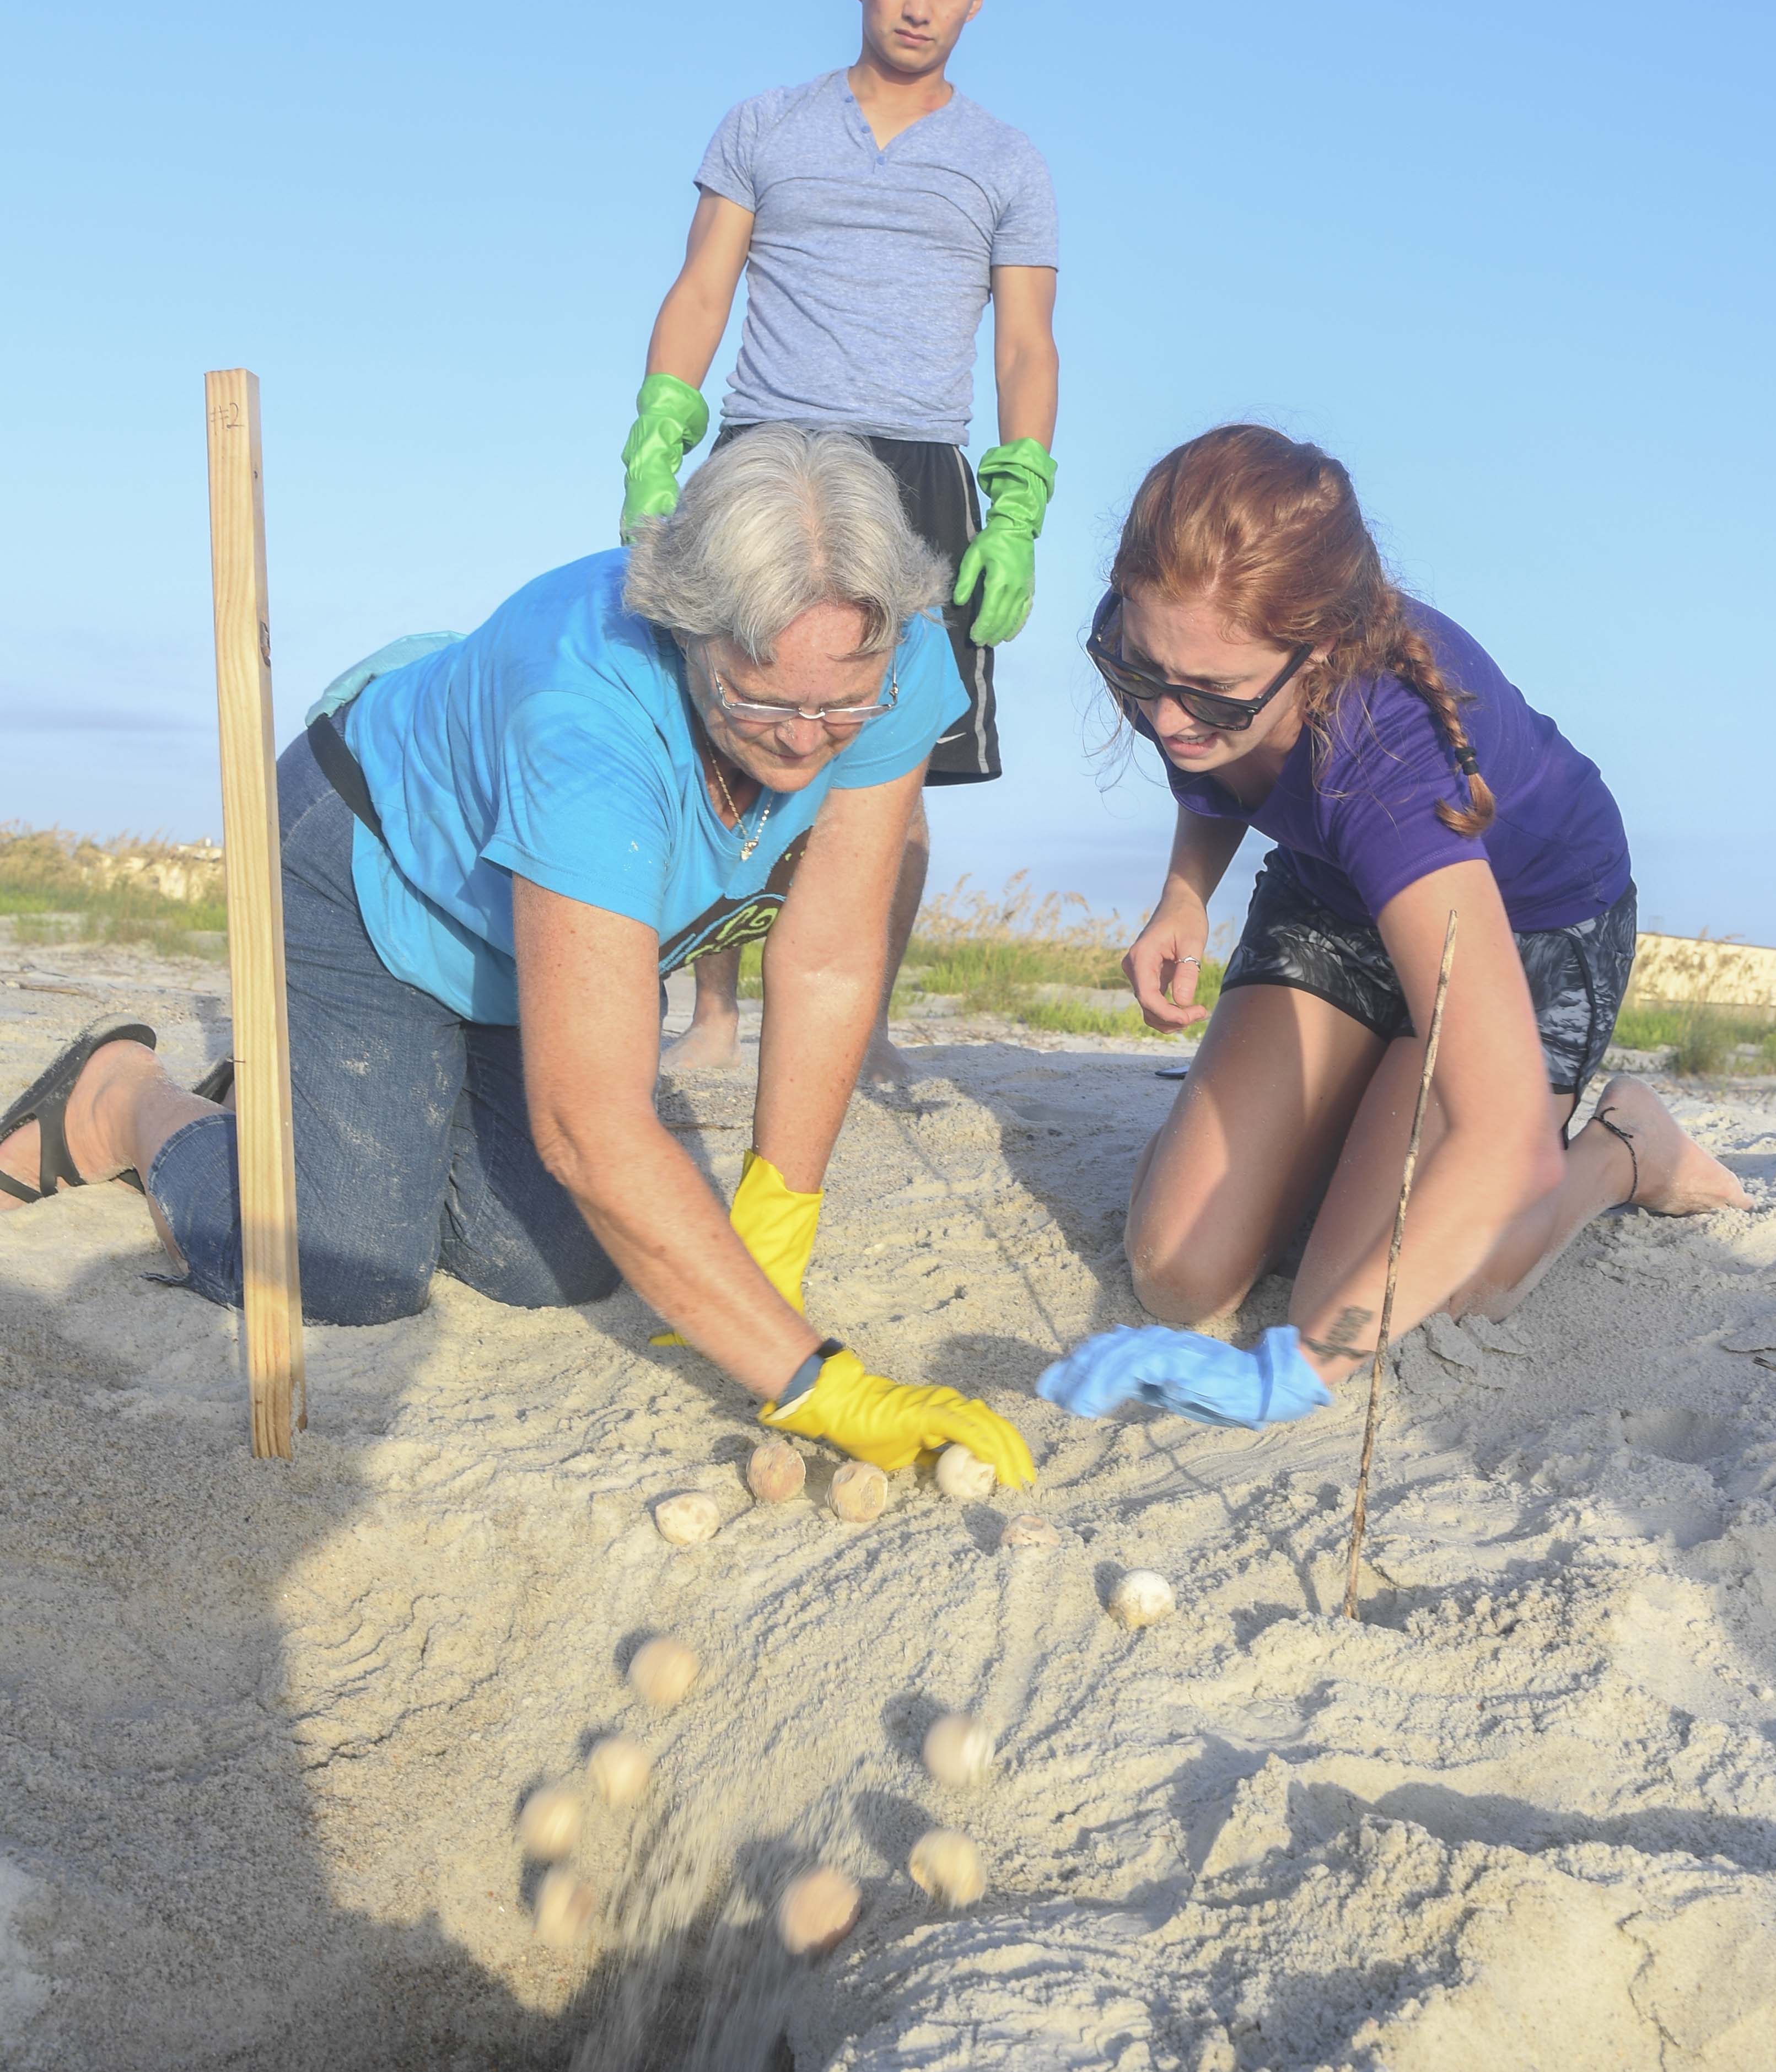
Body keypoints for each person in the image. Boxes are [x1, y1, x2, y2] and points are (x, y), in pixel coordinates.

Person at [0, 428, 1031, 1482]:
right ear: (687, 631)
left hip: (526, 932)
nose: (809, 739)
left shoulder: (896, 658)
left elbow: (828, 957)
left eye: (842, 703)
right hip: (372, 873)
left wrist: (778, 1216)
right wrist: (817, 1381)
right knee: (348, 1270)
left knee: (549, 1266)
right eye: (763, 701)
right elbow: (589, 1128)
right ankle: (120, 1098)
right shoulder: (587, 717)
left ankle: (328, 1116)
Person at [1038, 425, 1750, 1432]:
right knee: (1178, 1273)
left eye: (1212, 695)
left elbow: (1501, 1142)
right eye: (1141, 675)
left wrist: (1297, 1372)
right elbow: (1215, 770)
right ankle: (1349, 1114)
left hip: (1526, 918)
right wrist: (1185, 896)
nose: (1166, 722)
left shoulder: (1387, 756)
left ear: (1322, 648)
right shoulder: (1186, 649)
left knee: (1425, 1293)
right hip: (1337, 894)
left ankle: (1630, 1150)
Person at [618, 0, 1060, 1076]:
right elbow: (703, 285)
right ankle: (711, 1014)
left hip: (919, 474)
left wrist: (1018, 507)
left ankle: (856, 1026)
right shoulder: (761, 125)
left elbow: (1025, 345)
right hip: (765, 446)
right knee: (724, 740)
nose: (917, 4)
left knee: (893, 768)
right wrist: (659, 441)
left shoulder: (1007, 162)